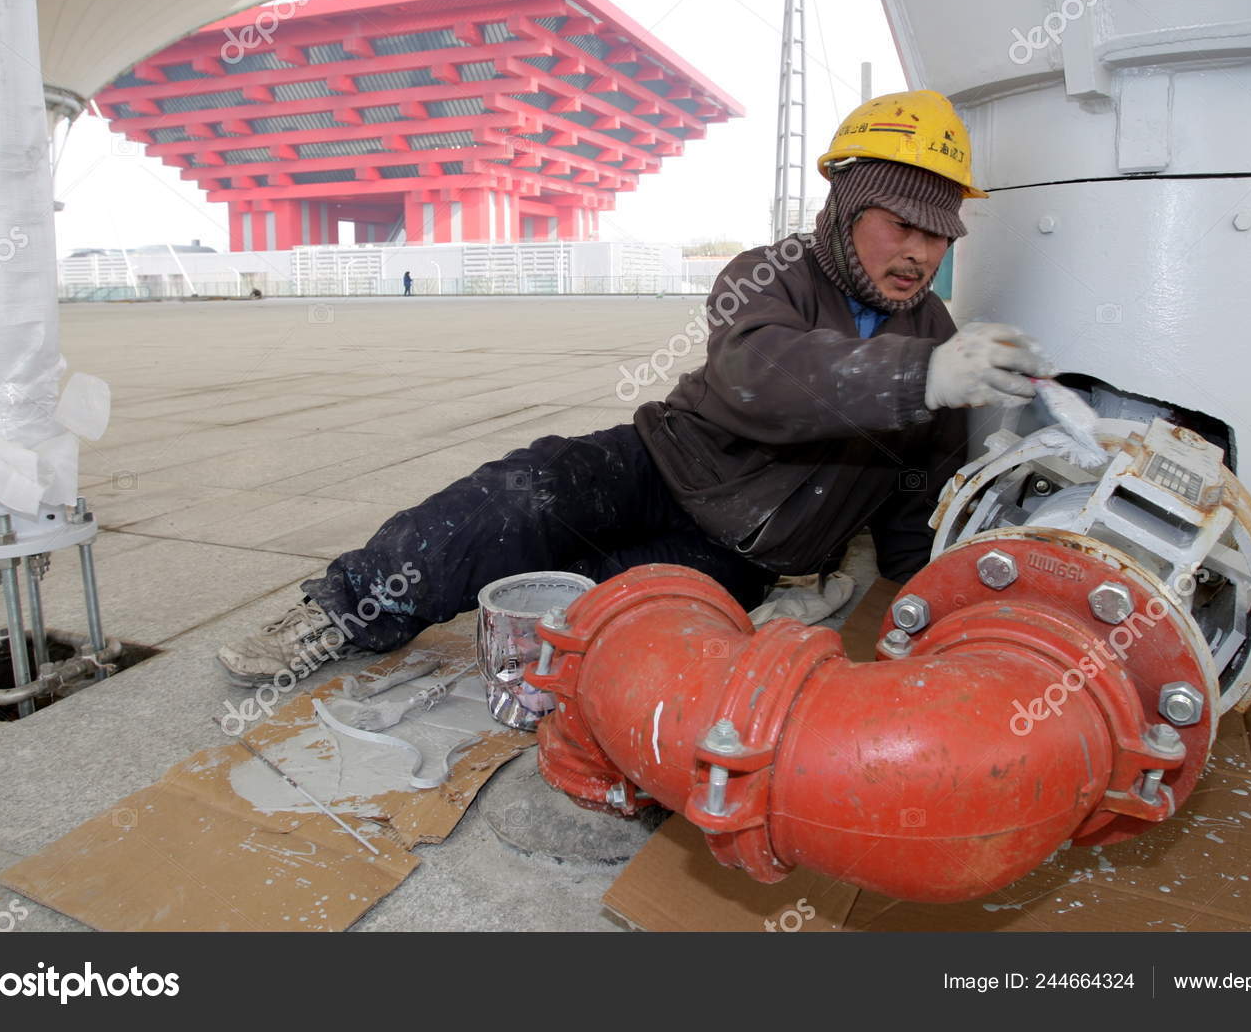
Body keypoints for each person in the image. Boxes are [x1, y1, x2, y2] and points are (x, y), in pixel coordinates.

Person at [217, 91, 1051, 685]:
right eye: (900, 223)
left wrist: (921, 603)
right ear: (844, 207)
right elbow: (757, 373)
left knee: (595, 616)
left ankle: (530, 625)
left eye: (938, 233)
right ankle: (346, 608)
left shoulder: (937, 337)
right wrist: (920, 378)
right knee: (521, 496)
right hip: (659, 466)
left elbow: (918, 500)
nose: (919, 251)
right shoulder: (770, 273)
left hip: (742, 556)